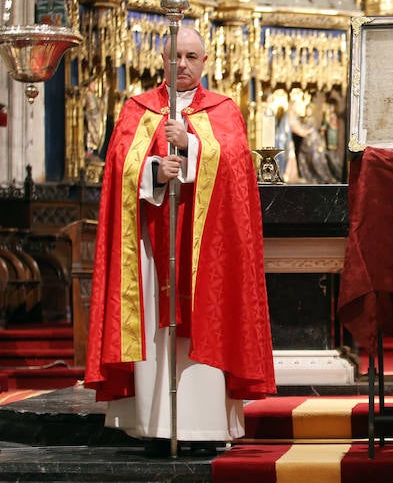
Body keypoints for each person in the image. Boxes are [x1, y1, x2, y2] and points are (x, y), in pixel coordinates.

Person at [85, 26, 276, 457]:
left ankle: (205, 425)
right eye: (176, 57)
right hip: (154, 253)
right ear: (163, 61)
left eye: (192, 57)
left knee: (205, 324)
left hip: (208, 254)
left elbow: (235, 166)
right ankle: (156, 427)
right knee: (156, 335)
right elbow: (117, 172)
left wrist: (189, 147)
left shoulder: (224, 110)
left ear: (204, 62)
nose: (184, 65)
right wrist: (154, 171)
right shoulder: (138, 110)